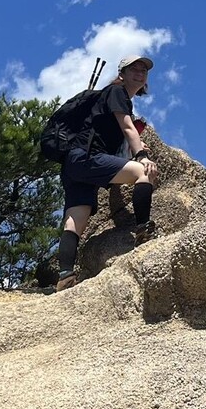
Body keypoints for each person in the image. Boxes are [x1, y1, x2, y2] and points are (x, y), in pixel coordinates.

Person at [54, 55, 161, 292]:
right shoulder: (117, 92)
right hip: (87, 158)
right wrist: (142, 155)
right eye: (134, 69)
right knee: (144, 172)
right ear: (121, 74)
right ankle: (143, 231)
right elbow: (127, 126)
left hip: (73, 164)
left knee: (75, 220)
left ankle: (65, 275)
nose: (140, 73)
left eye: (144, 71)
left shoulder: (107, 97)